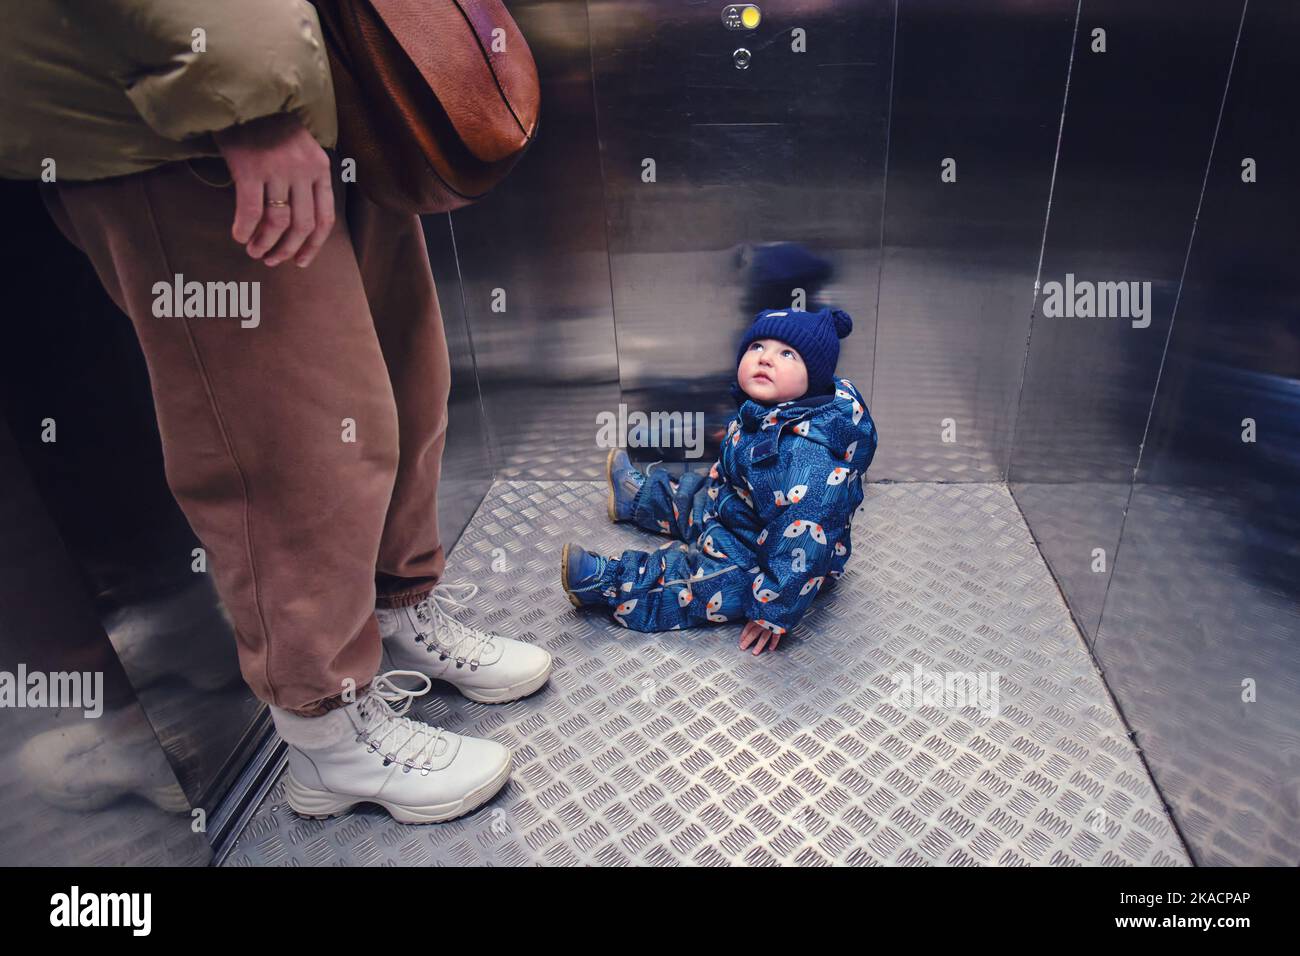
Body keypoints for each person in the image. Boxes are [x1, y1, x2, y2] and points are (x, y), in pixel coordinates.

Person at [1, 0, 549, 824]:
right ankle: (329, 738)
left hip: (324, 77)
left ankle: (398, 608)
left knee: (403, 376)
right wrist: (246, 97)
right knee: (288, 433)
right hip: (180, 113)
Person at [561, 307, 879, 652]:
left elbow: (802, 546)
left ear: (813, 378)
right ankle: (639, 497)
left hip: (768, 559)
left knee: (702, 582)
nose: (766, 359)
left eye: (787, 354)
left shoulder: (811, 460)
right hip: (738, 508)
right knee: (697, 494)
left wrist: (772, 608)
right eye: (757, 347)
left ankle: (611, 582)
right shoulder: (770, 410)